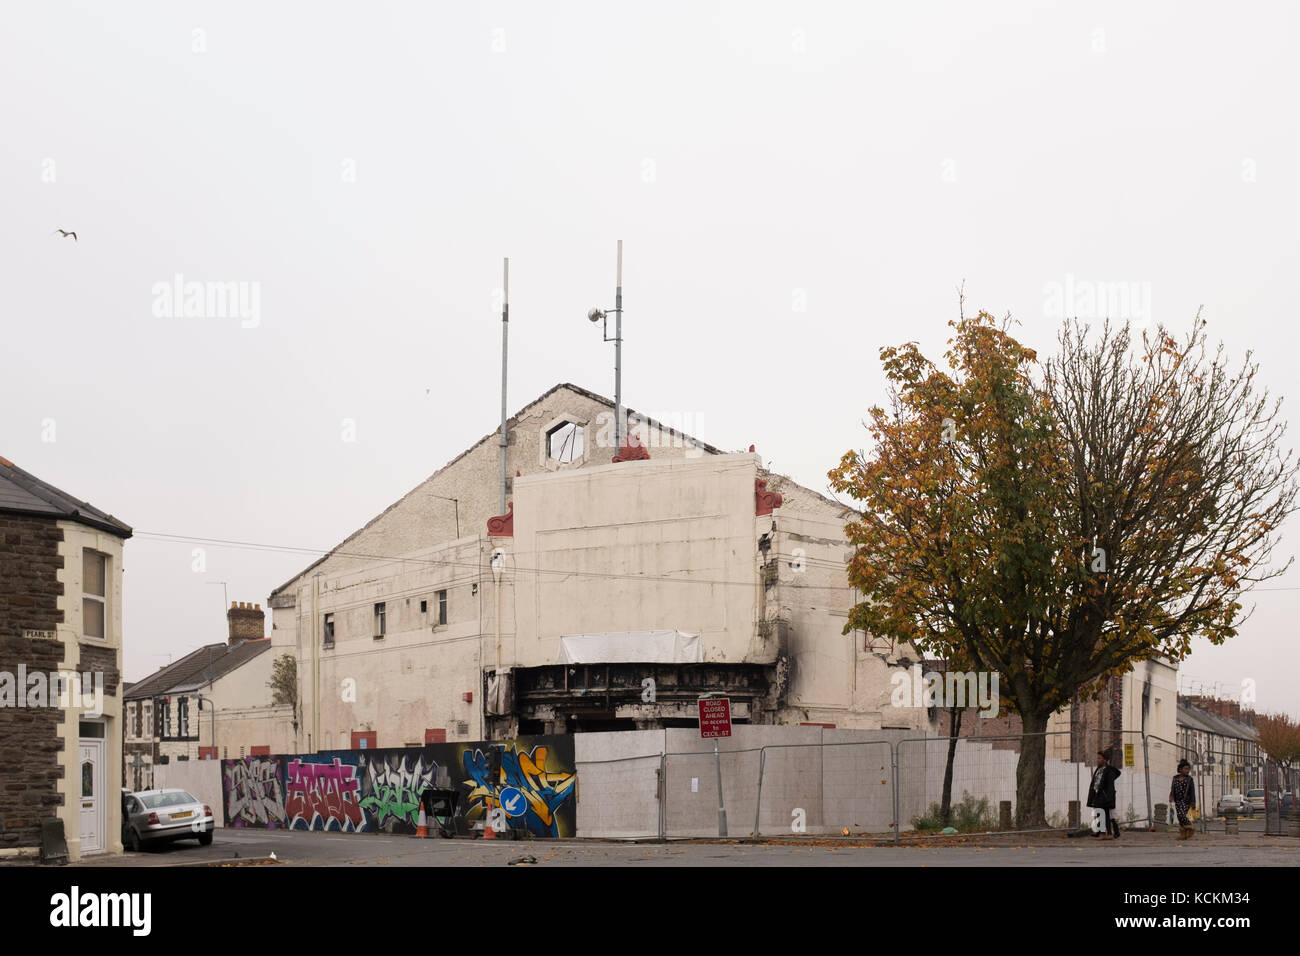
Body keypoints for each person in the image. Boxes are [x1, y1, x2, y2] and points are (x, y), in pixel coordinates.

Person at [1086, 748, 1122, 839]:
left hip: (1104, 796)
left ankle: (1105, 833)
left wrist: (1107, 795)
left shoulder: (1109, 771)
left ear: (1105, 760)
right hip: (1097, 795)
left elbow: (1112, 780)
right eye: (1097, 758)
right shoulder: (1098, 769)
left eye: (1099, 758)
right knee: (1100, 814)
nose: (1097, 760)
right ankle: (1102, 832)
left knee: (1106, 814)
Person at [1170, 760, 1197, 840]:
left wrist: (1193, 802)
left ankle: (1190, 827)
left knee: (1183, 815)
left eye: (1188, 769)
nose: (1187, 771)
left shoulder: (1189, 779)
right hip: (1177, 801)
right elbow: (1173, 788)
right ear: (1180, 769)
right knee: (1179, 817)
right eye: (1185, 769)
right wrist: (1171, 795)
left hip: (1186, 801)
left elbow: (1192, 791)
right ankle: (1183, 834)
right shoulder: (1175, 778)